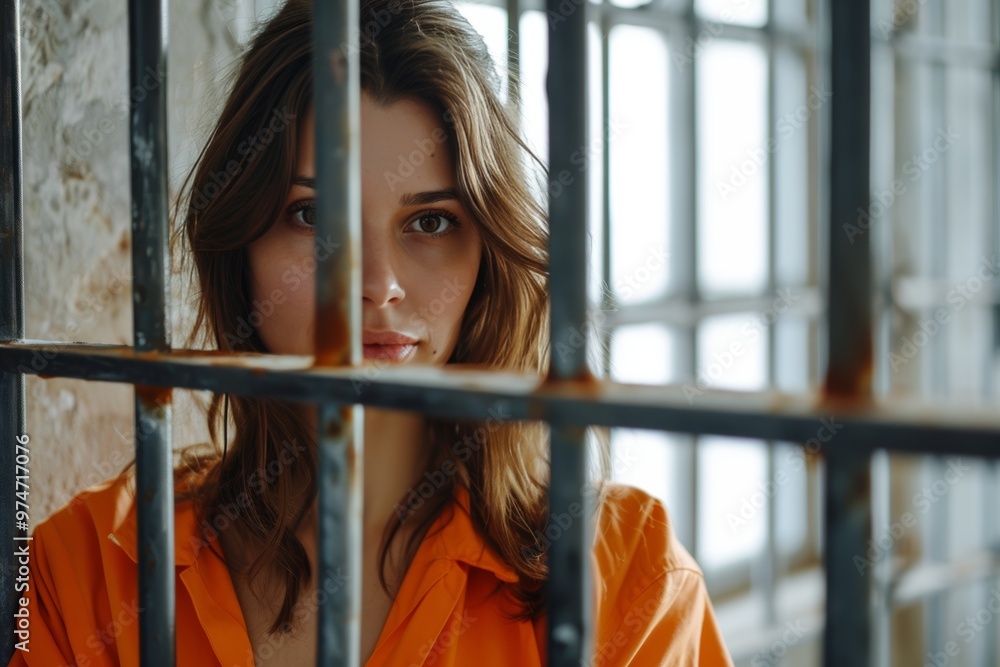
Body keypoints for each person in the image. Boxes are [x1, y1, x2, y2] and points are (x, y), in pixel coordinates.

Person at [8, 0, 734, 665]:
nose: (377, 282)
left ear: (487, 251)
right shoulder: (88, 574)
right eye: (313, 216)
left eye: (430, 222)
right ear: (240, 248)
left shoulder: (626, 579)